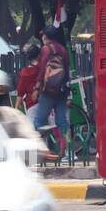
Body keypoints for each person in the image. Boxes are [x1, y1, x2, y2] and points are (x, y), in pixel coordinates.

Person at [33, 25, 71, 160]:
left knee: (38, 121)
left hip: (48, 91)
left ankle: (44, 152)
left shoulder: (46, 49)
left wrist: (37, 88)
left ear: (46, 37)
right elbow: (66, 71)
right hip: (62, 91)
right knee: (62, 121)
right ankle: (67, 151)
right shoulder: (63, 50)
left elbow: (43, 69)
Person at [15, 44, 42, 111]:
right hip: (48, 103)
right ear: (39, 55)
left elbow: (20, 92)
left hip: (32, 104)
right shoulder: (45, 68)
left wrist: (16, 107)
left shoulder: (25, 72)